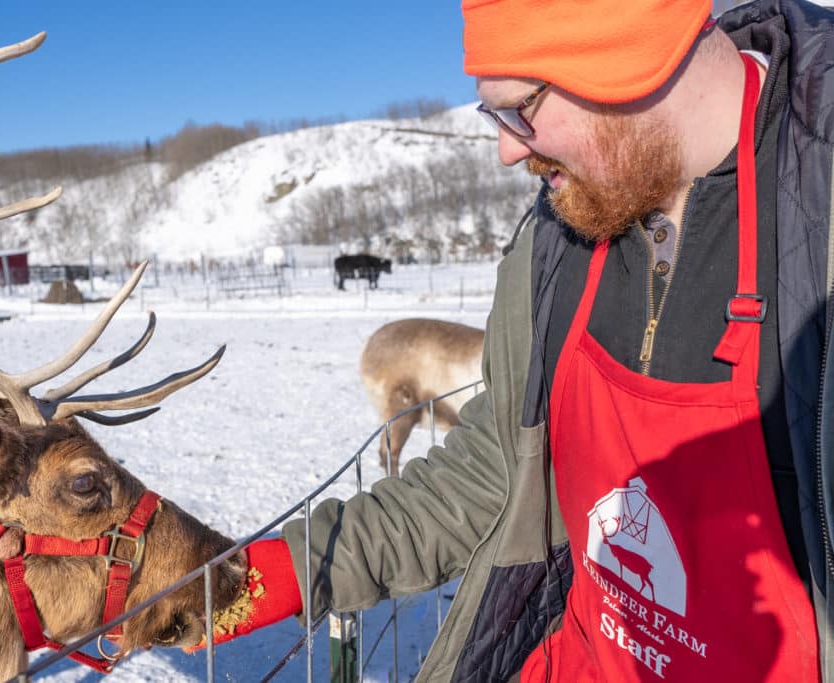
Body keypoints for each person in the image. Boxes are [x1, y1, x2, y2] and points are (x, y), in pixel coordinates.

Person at [194, 1, 834, 680]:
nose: (506, 150)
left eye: (521, 106)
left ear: (623, 55)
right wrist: (265, 576)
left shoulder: (815, 228)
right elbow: (495, 474)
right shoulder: (556, 241)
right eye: (492, 116)